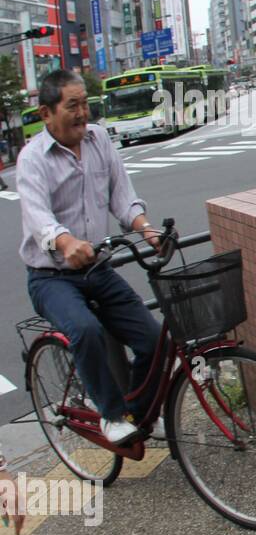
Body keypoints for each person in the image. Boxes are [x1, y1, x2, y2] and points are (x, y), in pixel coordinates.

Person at [16, 70, 163, 447]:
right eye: (72, 106)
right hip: (51, 277)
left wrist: (147, 229)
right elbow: (38, 218)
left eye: (85, 104)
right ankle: (111, 415)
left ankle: (139, 414)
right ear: (46, 113)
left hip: (98, 268)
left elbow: (122, 197)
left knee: (153, 338)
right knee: (85, 330)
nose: (82, 113)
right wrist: (65, 242)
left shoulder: (99, 140)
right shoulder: (32, 159)